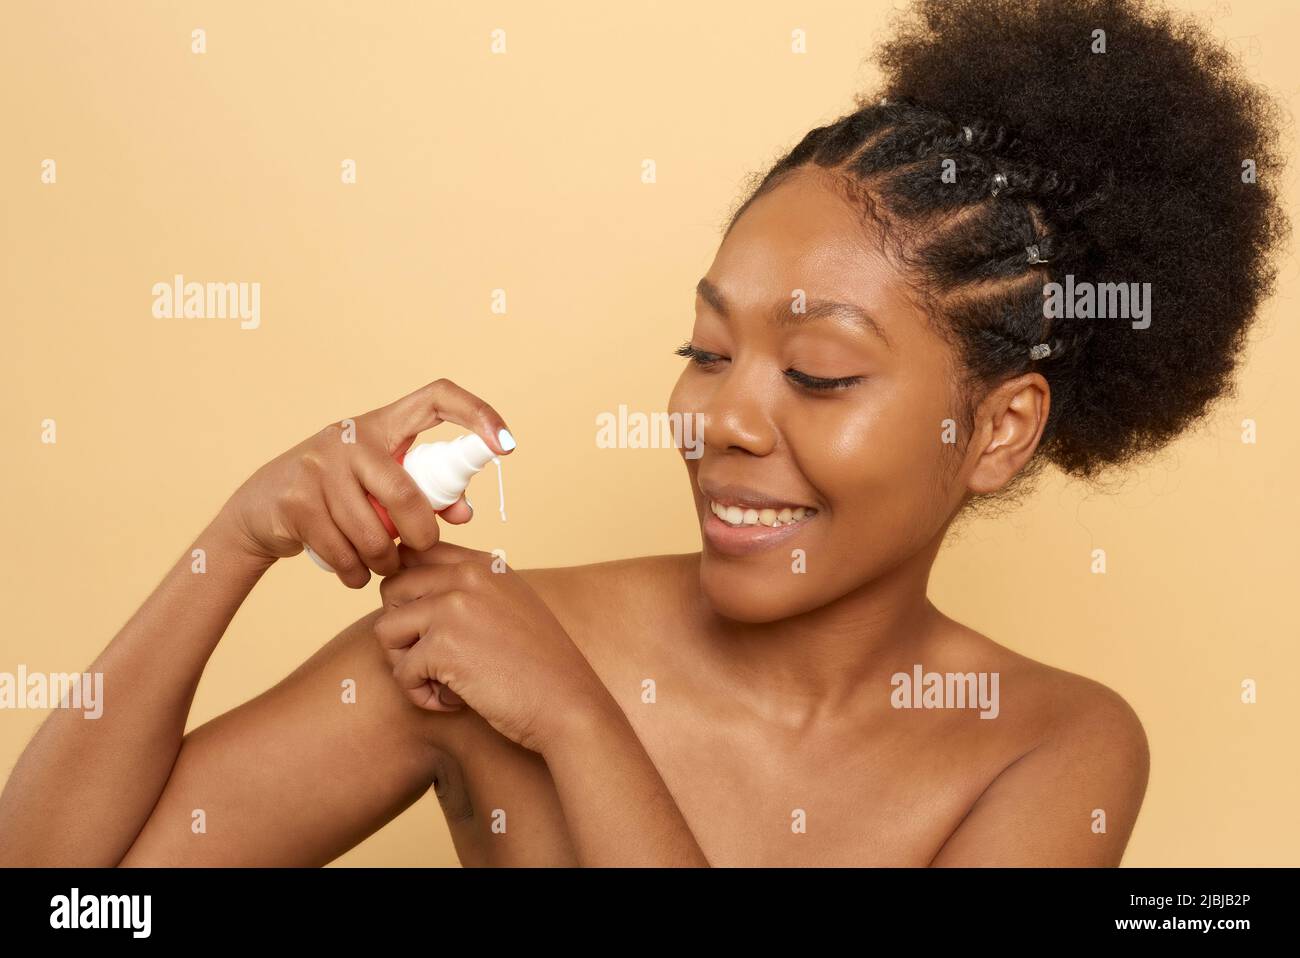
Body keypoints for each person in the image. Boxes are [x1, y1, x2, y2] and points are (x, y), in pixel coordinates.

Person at [0, 0, 1286, 866]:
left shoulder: (1054, 747)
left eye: (820, 371)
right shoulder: (465, 647)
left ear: (997, 430)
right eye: (706, 351)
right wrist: (235, 536)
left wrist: (577, 722)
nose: (722, 419)